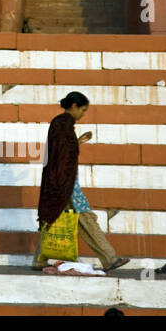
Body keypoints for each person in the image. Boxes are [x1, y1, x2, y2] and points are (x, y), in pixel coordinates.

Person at [31, 91, 130, 272]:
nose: (83, 114)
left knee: (53, 218)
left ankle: (38, 260)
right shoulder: (64, 124)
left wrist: (78, 142)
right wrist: (62, 185)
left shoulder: (60, 124)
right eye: (82, 110)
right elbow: (62, 155)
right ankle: (109, 258)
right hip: (65, 183)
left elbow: (61, 151)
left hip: (59, 182)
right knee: (86, 218)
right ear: (74, 106)